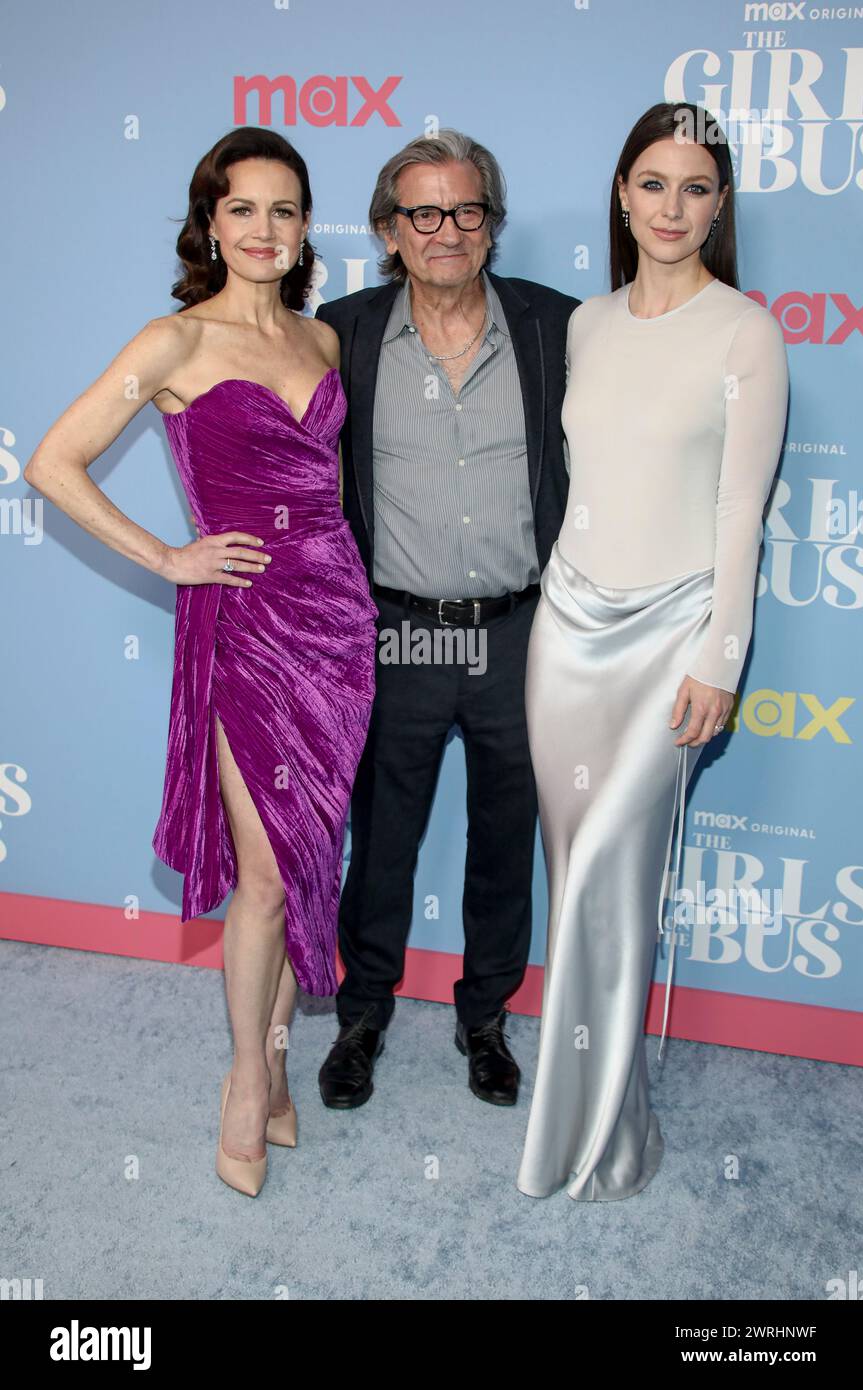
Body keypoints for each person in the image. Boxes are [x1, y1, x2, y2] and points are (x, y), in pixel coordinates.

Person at [23, 127, 378, 1197]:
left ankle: (273, 1070)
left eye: (284, 210)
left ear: (304, 226)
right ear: (210, 223)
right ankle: (243, 1078)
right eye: (243, 210)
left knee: (308, 858)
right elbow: (51, 461)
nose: (264, 230)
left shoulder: (322, 346)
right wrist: (168, 556)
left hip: (338, 625)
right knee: (264, 869)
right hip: (246, 621)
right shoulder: (173, 342)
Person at [516, 103, 789, 1201]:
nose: (670, 207)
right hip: (566, 630)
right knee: (567, 873)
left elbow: (739, 513)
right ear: (621, 196)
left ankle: (595, 1143)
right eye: (651, 183)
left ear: (717, 207)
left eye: (694, 188)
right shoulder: (585, 324)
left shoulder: (744, 331)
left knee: (610, 885)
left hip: (671, 634)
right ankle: (601, 1115)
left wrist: (719, 656)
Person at [314, 129, 579, 1109]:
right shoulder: (335, 336)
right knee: (381, 835)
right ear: (388, 230)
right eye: (421, 212)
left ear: (491, 223)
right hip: (397, 632)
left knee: (505, 832)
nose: (444, 230)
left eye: (465, 210)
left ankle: (483, 1018)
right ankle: (362, 1014)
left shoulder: (556, 327)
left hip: (519, 628)